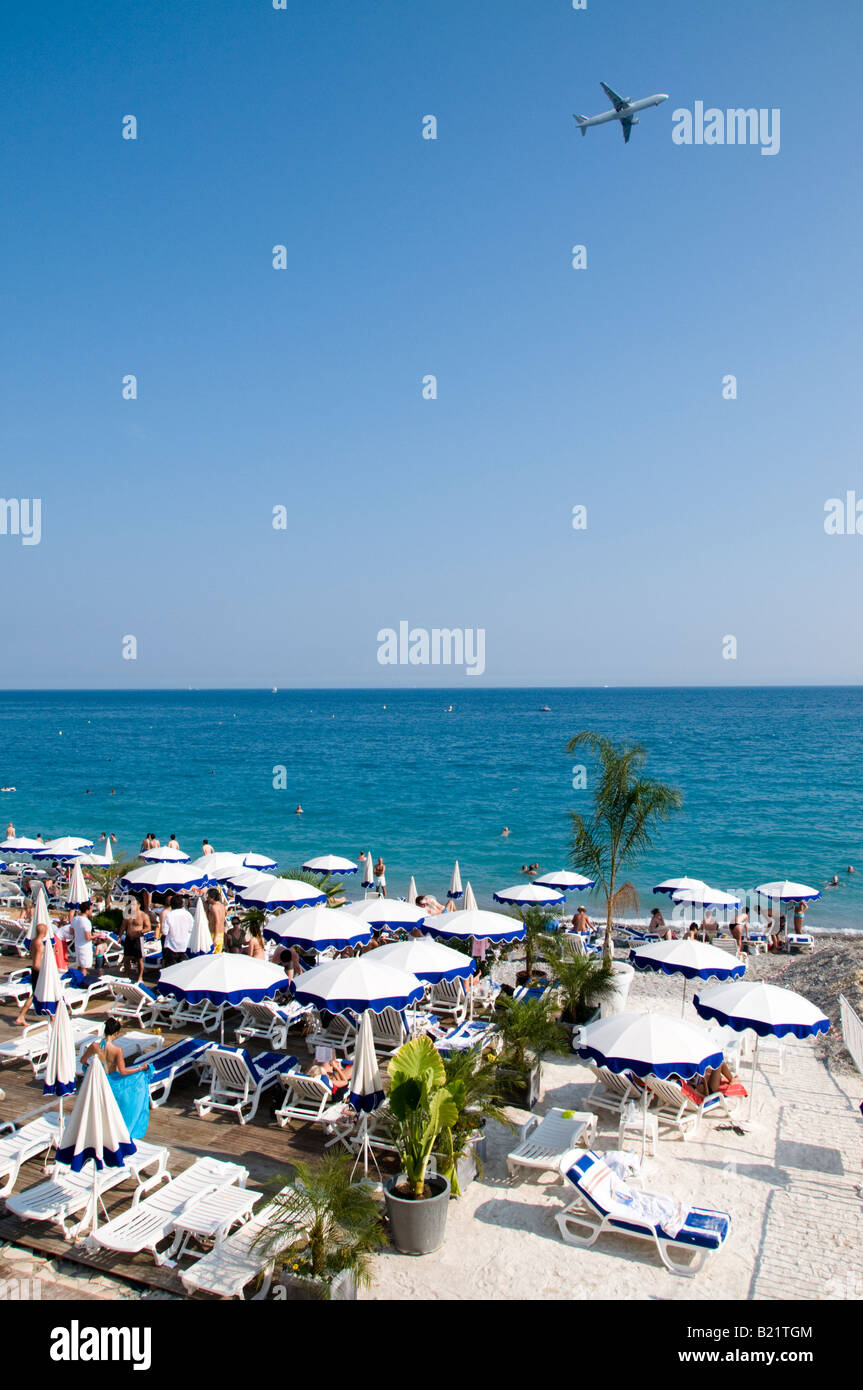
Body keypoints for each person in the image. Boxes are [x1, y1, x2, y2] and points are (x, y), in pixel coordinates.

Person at [80, 1019, 154, 1139]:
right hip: (113, 1084)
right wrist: (141, 1068)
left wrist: (92, 1070)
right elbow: (123, 1071)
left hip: (98, 1081)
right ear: (115, 1033)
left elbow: (83, 1061)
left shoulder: (94, 1046)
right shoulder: (117, 1050)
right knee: (121, 1108)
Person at [13, 912, 50, 1025]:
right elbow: (39, 961)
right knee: (35, 994)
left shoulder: (34, 941)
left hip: (34, 969)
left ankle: (23, 1015)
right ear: (44, 932)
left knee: (37, 994)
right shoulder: (40, 944)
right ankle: (21, 1015)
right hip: (38, 969)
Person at [161, 894, 194, 963]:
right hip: (185, 946)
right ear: (182, 904)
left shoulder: (169, 915)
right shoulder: (188, 914)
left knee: (171, 969)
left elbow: (164, 932)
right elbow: (192, 929)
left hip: (171, 946)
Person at [121, 898, 148, 983]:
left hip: (138, 939)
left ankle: (140, 978)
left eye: (134, 905)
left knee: (139, 959)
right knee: (126, 958)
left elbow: (148, 927)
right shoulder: (128, 915)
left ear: (139, 905)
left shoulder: (143, 915)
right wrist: (119, 935)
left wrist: (140, 932)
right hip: (129, 938)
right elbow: (123, 926)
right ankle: (127, 975)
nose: (132, 906)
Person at [70, 900, 97, 973]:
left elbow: (71, 932)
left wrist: (79, 934)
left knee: (79, 966)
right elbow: (88, 937)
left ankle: (78, 982)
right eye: (91, 910)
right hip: (85, 947)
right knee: (84, 968)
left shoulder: (75, 918)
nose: (92, 911)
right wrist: (97, 935)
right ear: (87, 911)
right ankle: (82, 982)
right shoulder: (86, 921)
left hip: (77, 945)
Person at [205, 888, 226, 952]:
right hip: (221, 934)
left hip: (214, 934)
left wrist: (215, 937)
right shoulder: (222, 906)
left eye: (208, 897)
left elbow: (217, 922)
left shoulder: (214, 907)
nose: (207, 899)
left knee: (210, 955)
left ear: (212, 897)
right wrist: (206, 909)